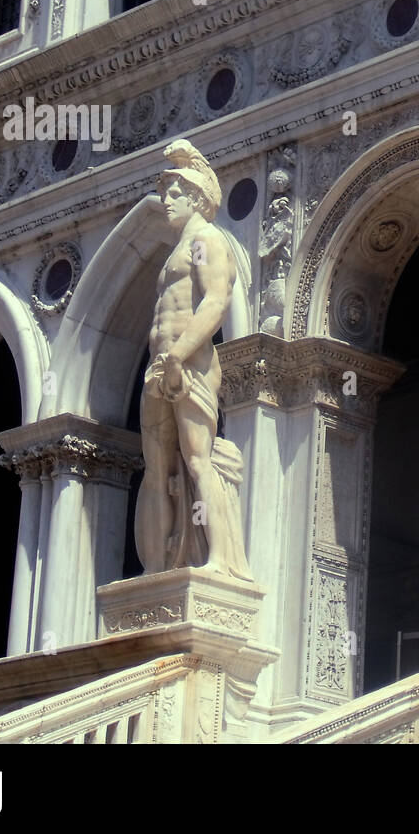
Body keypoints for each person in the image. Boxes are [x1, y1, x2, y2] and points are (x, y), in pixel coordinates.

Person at [137, 140, 253, 580]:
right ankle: (157, 567)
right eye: (165, 192)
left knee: (197, 459)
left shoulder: (207, 240)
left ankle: (219, 558)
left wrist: (178, 355)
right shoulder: (173, 254)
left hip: (190, 366)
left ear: (198, 198)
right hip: (160, 366)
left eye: (175, 194)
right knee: (156, 470)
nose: (165, 201)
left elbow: (216, 302)